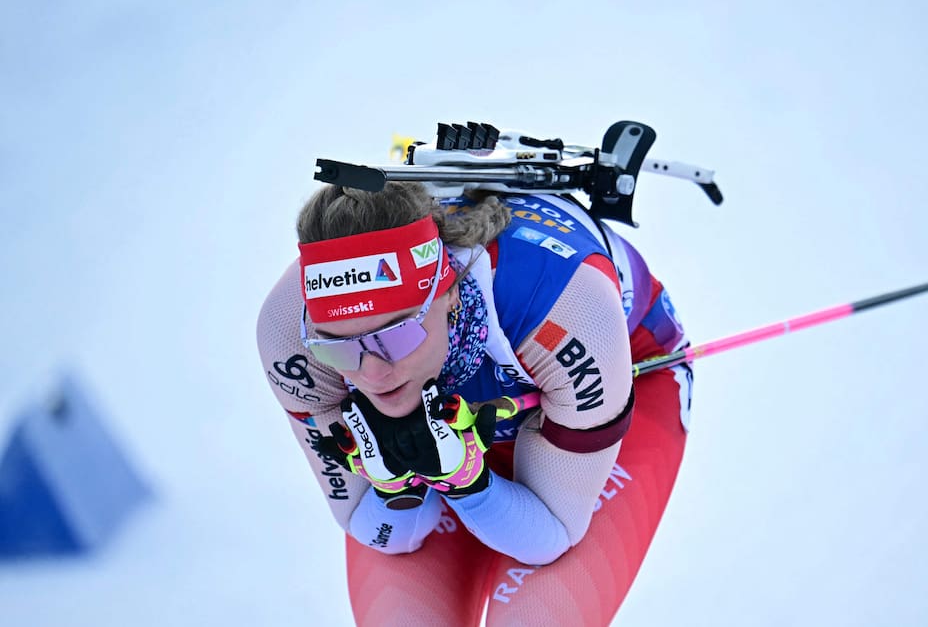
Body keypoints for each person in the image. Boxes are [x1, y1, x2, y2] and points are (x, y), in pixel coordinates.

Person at [256, 181, 693, 626]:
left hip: (611, 384)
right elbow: (378, 532)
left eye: (396, 335)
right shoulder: (289, 337)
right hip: (476, 412)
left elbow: (549, 536)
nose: (371, 373)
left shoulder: (564, 310)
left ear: (449, 295)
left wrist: (466, 482)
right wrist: (395, 486)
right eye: (339, 348)